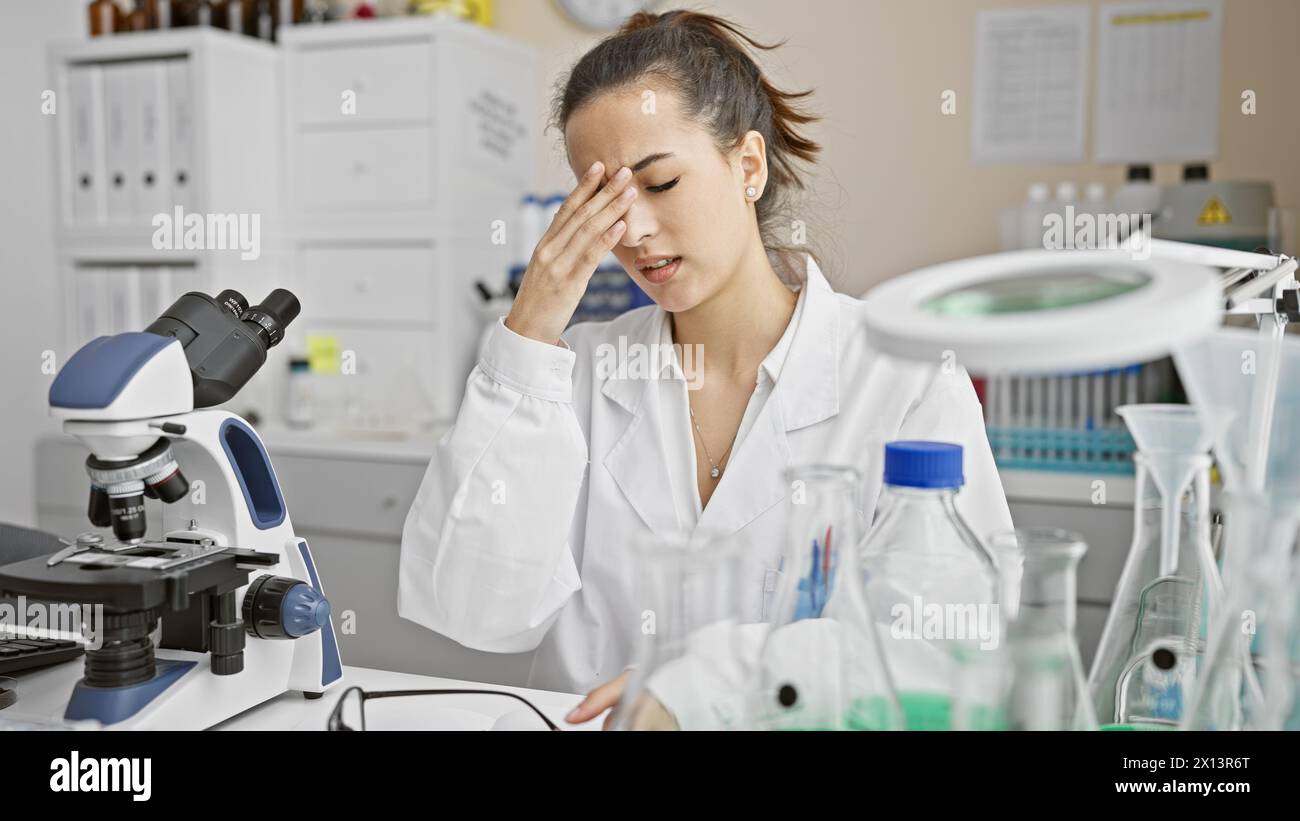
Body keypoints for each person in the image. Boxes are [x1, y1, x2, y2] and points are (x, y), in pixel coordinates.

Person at [399, 9, 1013, 728]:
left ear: (747, 165)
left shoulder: (902, 378)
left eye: (658, 184)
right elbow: (472, 608)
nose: (631, 232)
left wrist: (708, 682)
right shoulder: (576, 373)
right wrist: (528, 333)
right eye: (604, 202)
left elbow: (952, 645)